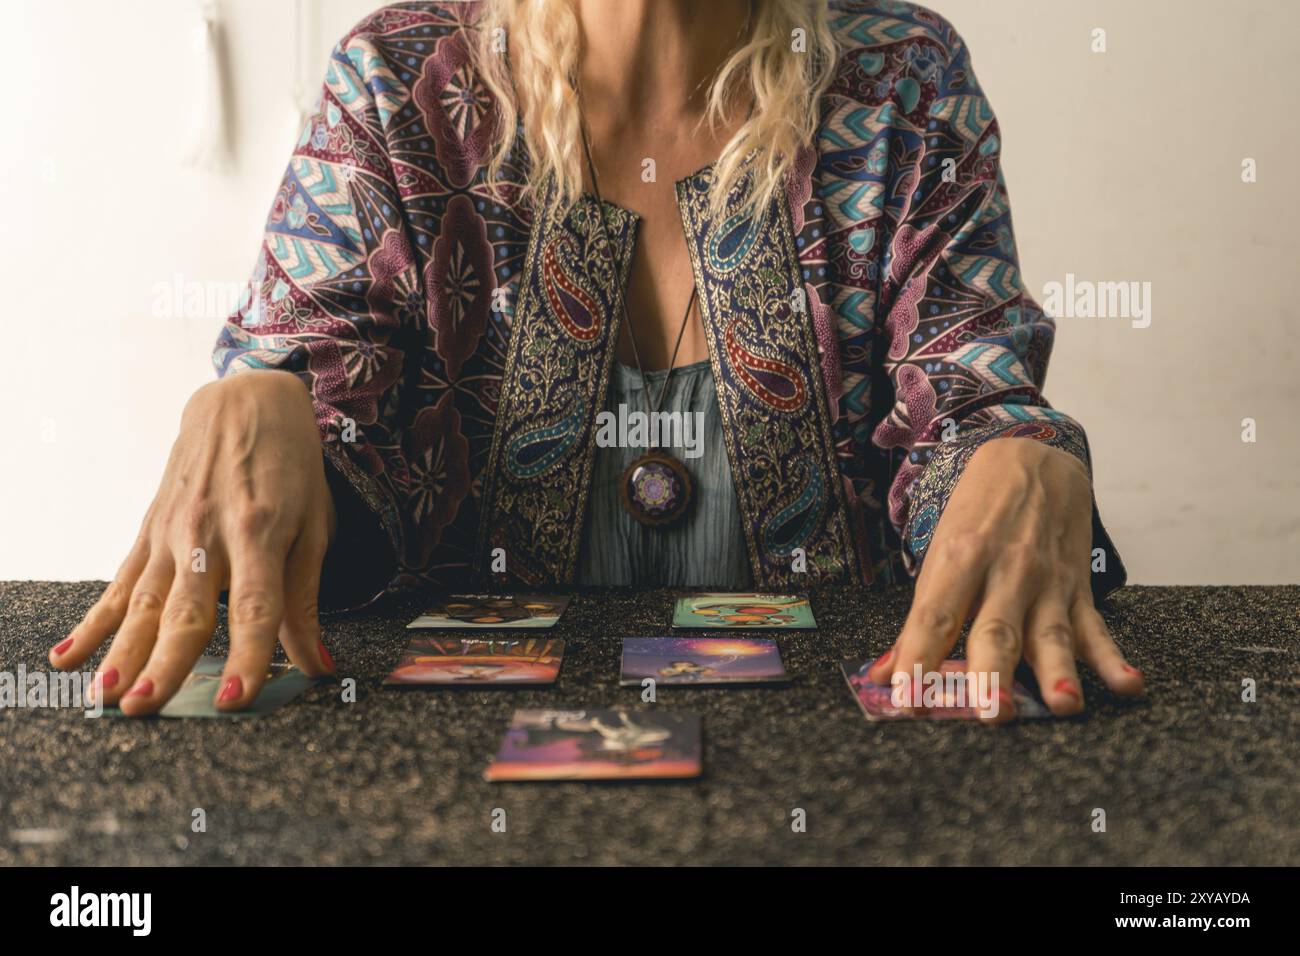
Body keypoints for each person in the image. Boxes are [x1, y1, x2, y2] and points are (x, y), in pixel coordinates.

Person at [49, 0, 1146, 719]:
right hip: (449, 787)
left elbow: (966, 387)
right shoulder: (398, 78)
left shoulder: (901, 78)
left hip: (841, 780)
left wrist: (1020, 448)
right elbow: (322, 377)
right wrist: (261, 395)